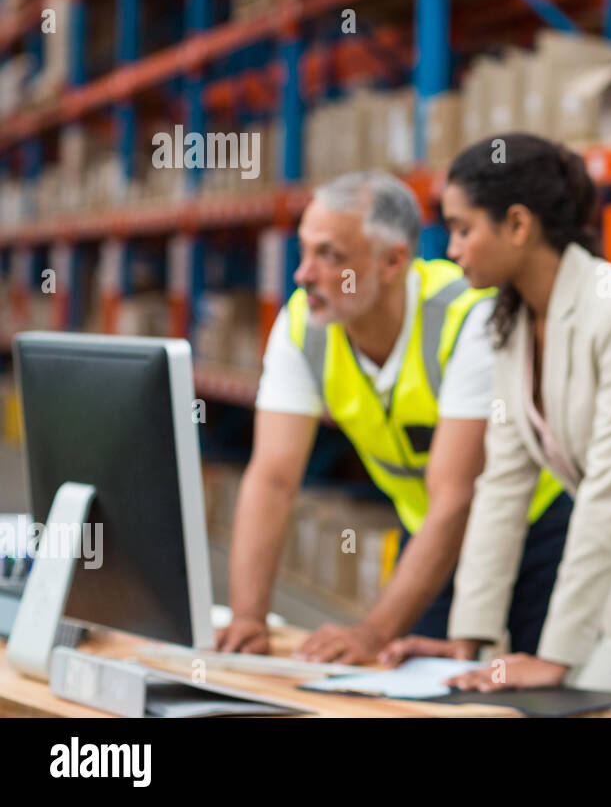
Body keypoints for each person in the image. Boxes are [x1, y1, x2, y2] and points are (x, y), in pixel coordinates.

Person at [379, 134, 611, 716]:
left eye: (462, 228)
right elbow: (502, 487)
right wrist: (469, 639)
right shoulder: (509, 322)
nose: (451, 249)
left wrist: (554, 657)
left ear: (517, 225)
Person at [215, 170, 571, 663]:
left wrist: (371, 632)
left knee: (548, 693)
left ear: (393, 262)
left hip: (538, 527)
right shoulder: (305, 325)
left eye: (329, 256)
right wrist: (248, 620)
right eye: (304, 251)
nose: (303, 275)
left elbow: (456, 496)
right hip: (429, 529)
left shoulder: (468, 317)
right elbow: (273, 477)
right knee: (415, 687)